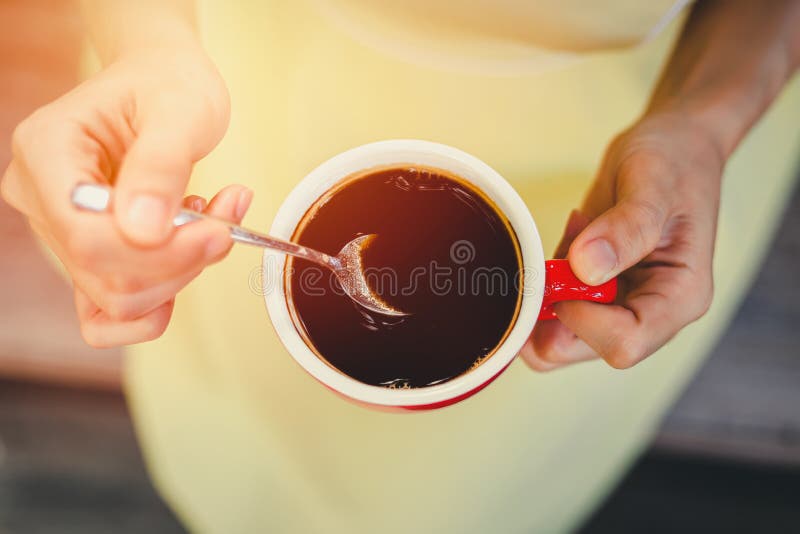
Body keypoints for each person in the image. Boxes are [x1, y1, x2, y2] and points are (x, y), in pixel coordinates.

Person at [2, 0, 799, 531]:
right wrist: (149, 49)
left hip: (619, 133)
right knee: (232, 376)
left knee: (443, 487)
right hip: (231, 86)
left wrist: (703, 121)